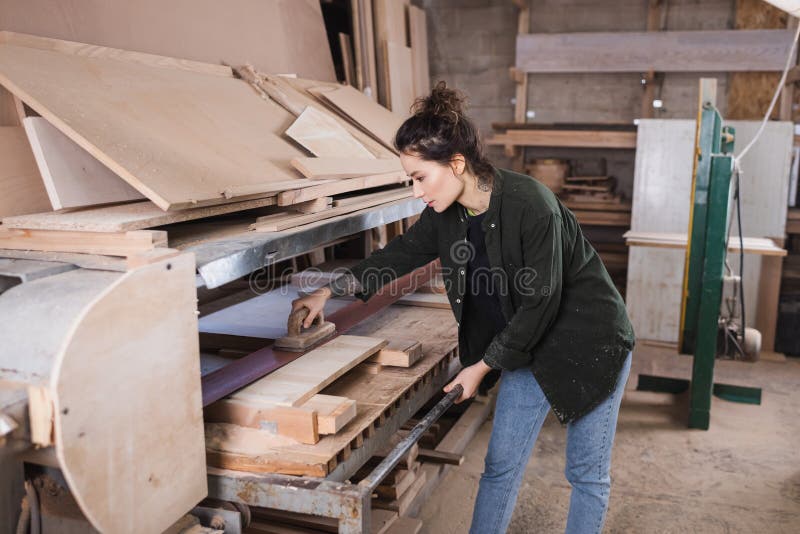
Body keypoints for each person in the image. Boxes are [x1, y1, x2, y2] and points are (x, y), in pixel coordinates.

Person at [291, 81, 635, 534]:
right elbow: (399, 255)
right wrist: (328, 290)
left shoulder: (533, 205)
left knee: (585, 475)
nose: (415, 192)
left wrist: (482, 366)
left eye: (419, 178)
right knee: (500, 467)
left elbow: (541, 302)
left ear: (456, 164)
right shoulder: (444, 214)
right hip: (525, 347)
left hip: (589, 342)